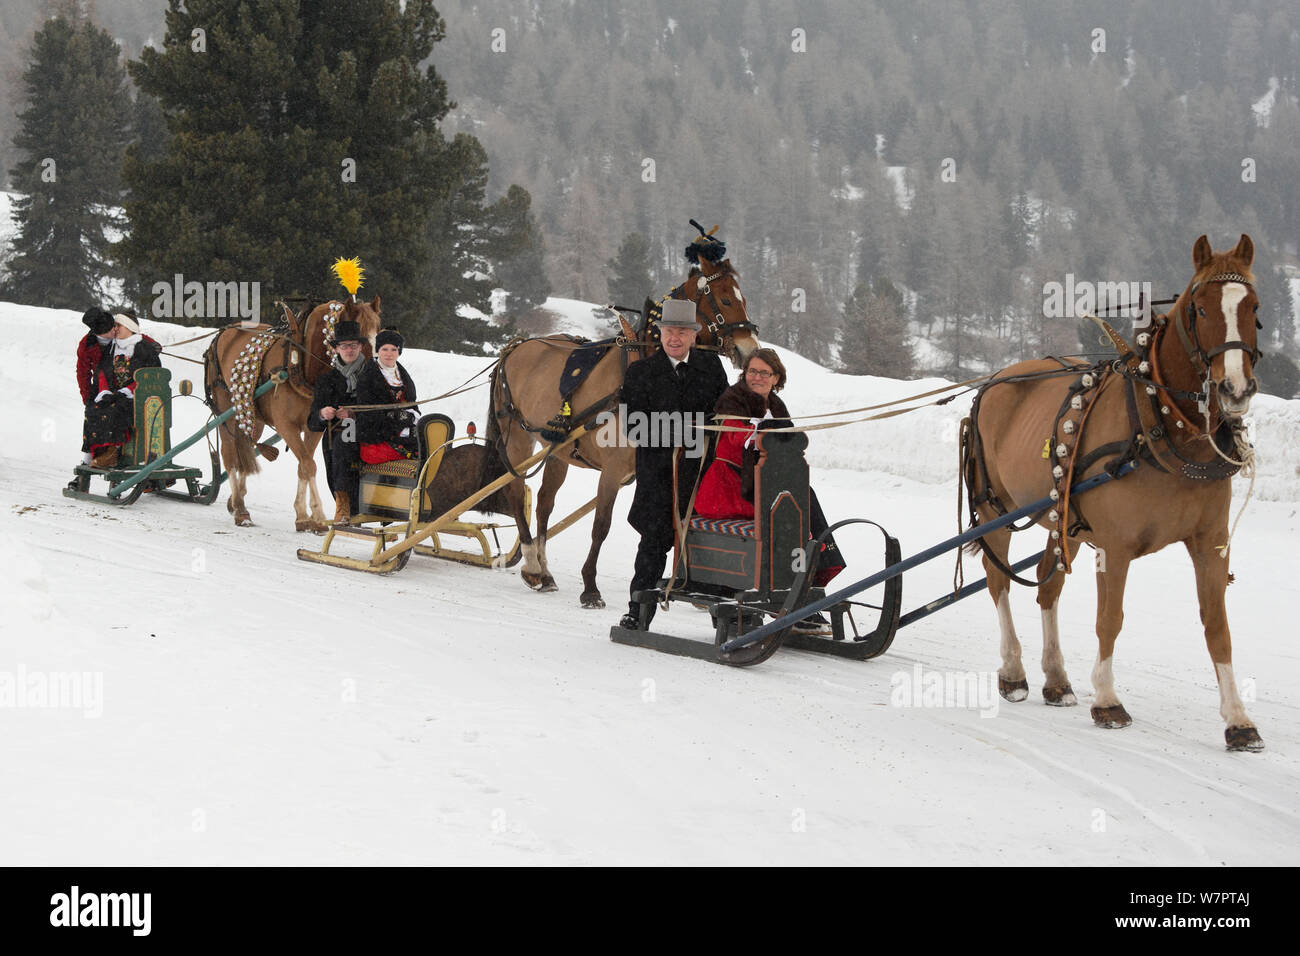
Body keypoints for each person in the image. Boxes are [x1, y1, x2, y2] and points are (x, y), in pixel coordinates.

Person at [694, 347, 846, 633]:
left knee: (803, 496)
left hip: (765, 483)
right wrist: (760, 434)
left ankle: (809, 582)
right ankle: (796, 595)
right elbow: (736, 442)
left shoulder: (777, 407)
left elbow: (787, 449)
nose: (757, 377)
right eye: (753, 371)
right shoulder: (732, 402)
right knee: (790, 511)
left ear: (776, 378)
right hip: (731, 487)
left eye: (765, 373)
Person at [618, 298, 729, 631]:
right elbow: (634, 427)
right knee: (653, 543)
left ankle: (724, 617)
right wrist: (687, 428)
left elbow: (722, 415)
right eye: (669, 331)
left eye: (682, 331)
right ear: (661, 334)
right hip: (658, 477)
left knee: (711, 542)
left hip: (702, 477)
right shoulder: (640, 373)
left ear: (694, 336)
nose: (675, 338)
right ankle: (638, 612)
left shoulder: (711, 368)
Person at [81, 312, 162, 468]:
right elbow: (103, 372)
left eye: (119, 325)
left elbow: (147, 375)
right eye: (114, 325)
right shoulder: (112, 348)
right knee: (93, 408)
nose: (115, 328)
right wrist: (104, 392)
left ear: (130, 327)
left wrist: (125, 392)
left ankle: (113, 453)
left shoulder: (143, 348)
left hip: (136, 396)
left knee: (116, 409)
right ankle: (92, 454)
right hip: (113, 395)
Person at [307, 319, 366, 522]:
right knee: (342, 445)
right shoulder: (326, 380)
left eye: (353, 345)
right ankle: (343, 504)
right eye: (344, 346)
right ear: (337, 349)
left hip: (371, 429)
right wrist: (323, 413)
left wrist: (355, 412)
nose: (349, 350)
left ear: (360, 347)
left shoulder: (372, 374)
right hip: (339, 435)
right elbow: (312, 421)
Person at [356, 327, 419, 464]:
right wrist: (396, 421)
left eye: (394, 350)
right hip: (377, 438)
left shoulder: (404, 376)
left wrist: (411, 417)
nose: (389, 354)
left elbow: (413, 405)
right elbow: (367, 413)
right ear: (378, 350)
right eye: (385, 349)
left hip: (405, 435)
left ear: (399, 352)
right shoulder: (367, 377)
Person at [76, 307, 116, 404]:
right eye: (109, 330)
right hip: (101, 385)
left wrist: (151, 343)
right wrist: (87, 398)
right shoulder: (86, 344)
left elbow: (134, 335)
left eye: (114, 326)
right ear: (100, 333)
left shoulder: (119, 331)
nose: (114, 330)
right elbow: (83, 373)